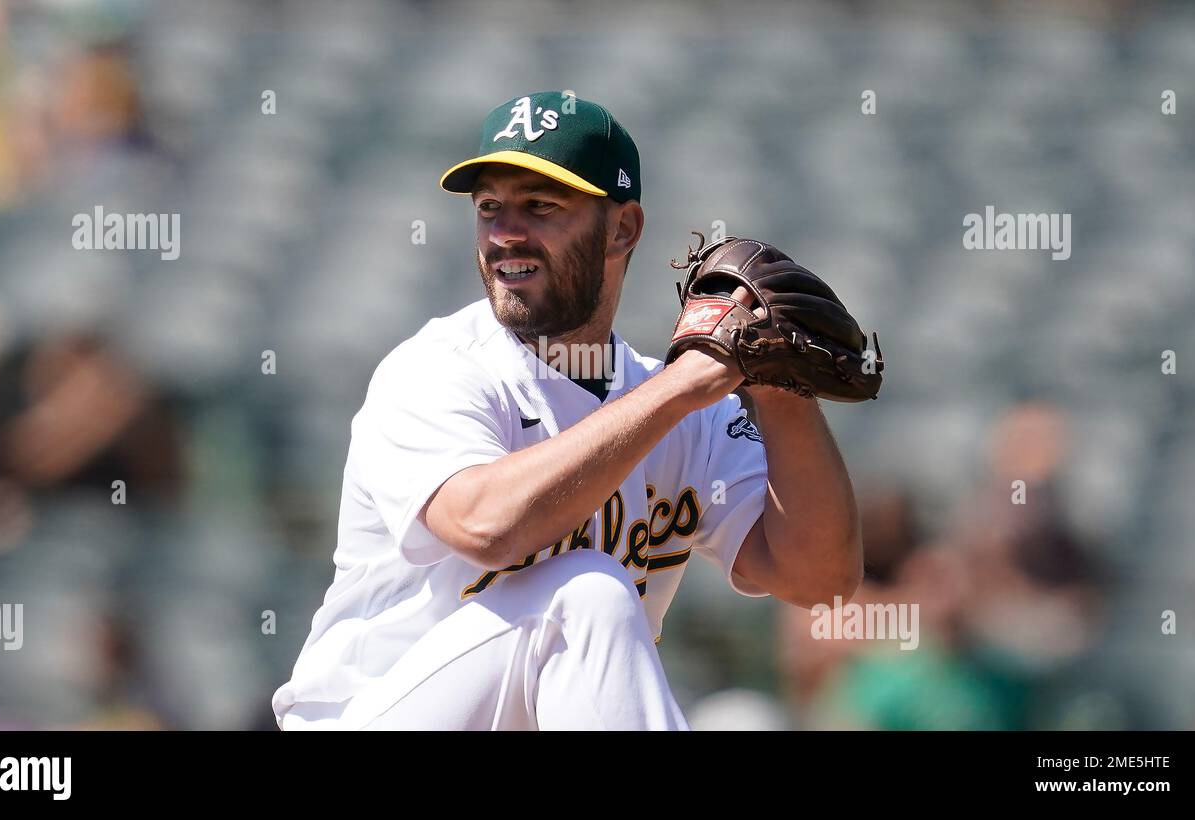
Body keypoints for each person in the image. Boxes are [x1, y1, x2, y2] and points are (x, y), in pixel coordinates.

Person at [273, 92, 863, 730]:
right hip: (374, 716)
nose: (505, 233)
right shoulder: (439, 369)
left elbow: (819, 580)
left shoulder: (687, 412)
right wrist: (683, 385)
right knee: (587, 593)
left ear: (622, 228)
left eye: (541, 206)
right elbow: (488, 527)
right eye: (490, 207)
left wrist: (783, 397)